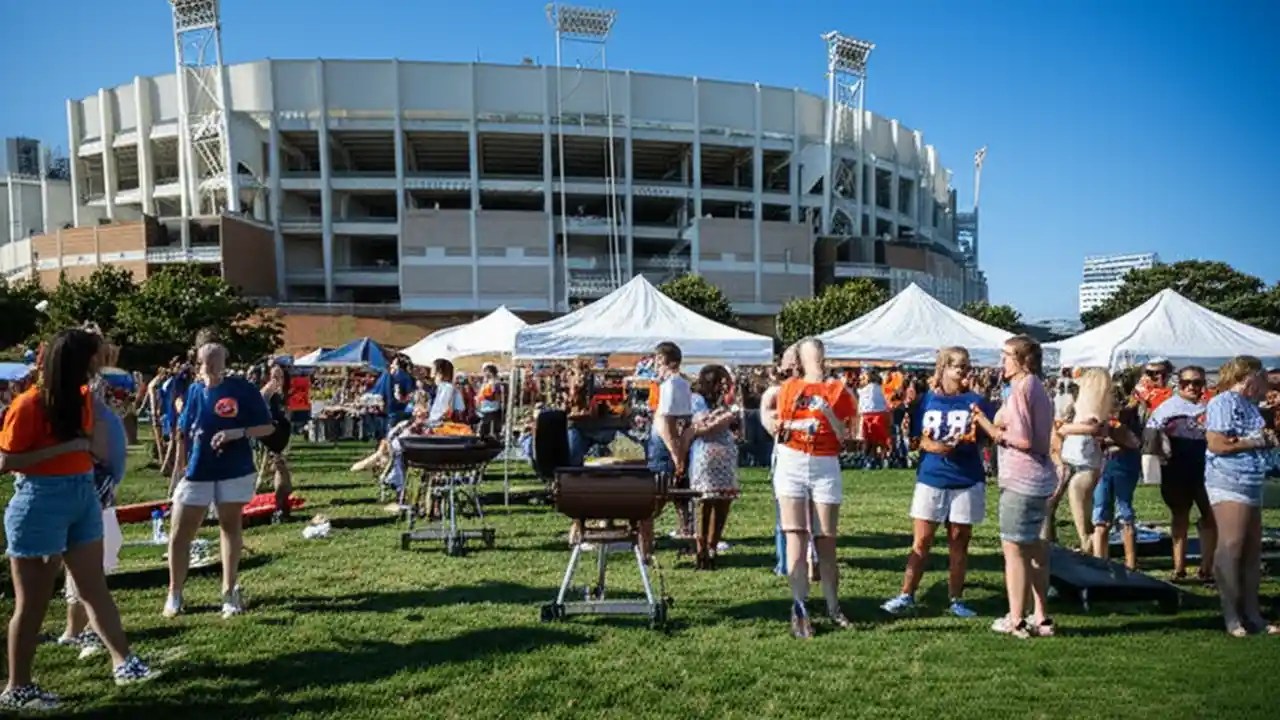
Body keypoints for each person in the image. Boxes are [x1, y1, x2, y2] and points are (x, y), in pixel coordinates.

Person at [1, 329, 157, 711]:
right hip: (40, 502)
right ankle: (18, 686)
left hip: (82, 496)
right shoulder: (28, 404)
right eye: (94, 357)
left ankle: (124, 662)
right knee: (33, 603)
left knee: (93, 587)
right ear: (76, 362)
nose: (99, 363)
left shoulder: (84, 398)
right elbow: (7, 462)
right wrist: (69, 447)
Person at [165, 343, 274, 619]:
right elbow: (184, 430)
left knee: (230, 526)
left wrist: (238, 432)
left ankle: (229, 590)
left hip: (233, 468)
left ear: (225, 362)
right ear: (198, 363)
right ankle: (175, 592)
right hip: (198, 470)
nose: (211, 368)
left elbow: (268, 427)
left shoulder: (242, 389)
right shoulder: (193, 391)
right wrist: (178, 465)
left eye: (216, 362)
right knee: (180, 532)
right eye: (205, 362)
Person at [882, 347, 988, 618]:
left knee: (958, 541)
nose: (964, 371)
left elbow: (987, 436)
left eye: (966, 366)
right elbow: (916, 439)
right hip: (932, 477)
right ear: (943, 368)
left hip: (966, 477)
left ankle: (956, 598)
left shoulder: (976, 401)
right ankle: (907, 593)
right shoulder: (925, 400)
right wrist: (933, 446)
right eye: (958, 366)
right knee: (922, 540)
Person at [763, 338, 855, 638]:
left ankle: (832, 606)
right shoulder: (787, 388)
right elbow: (768, 413)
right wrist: (773, 423)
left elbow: (848, 436)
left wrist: (827, 412)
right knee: (796, 538)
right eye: (804, 356)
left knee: (826, 541)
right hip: (792, 460)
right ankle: (799, 607)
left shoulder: (839, 390)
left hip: (825, 464)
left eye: (816, 354)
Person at [972, 335, 1057, 639]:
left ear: (1021, 359)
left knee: (1014, 549)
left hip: (1022, 479)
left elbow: (1024, 440)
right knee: (1035, 549)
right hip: (1038, 479)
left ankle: (1017, 619)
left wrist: (990, 428)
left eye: (1006, 355)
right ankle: (1042, 618)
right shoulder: (1035, 387)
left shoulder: (1023, 387)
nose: (1001, 361)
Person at [1203, 355, 1279, 636]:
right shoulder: (1222, 403)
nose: (1266, 382)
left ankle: (1252, 613)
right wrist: (1253, 441)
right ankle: (1231, 615)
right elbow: (1217, 443)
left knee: (1250, 550)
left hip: (1251, 479)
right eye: (1263, 376)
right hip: (1229, 479)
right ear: (1249, 377)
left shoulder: (1250, 406)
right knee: (1232, 545)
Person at [1147, 365, 1217, 582]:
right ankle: (1179, 568)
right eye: (1187, 383)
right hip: (1176, 470)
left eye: (1197, 383)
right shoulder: (1166, 408)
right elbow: (1150, 438)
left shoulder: (1212, 407)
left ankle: (1207, 568)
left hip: (1208, 470)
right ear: (1179, 384)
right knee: (1179, 517)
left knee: (1211, 516)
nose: (1192, 387)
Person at [1048, 367, 1112, 551]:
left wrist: (1066, 428)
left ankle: (1088, 548)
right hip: (1072, 459)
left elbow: (1096, 429)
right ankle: (1056, 546)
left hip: (1085, 463)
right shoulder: (1081, 406)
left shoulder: (1096, 410)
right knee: (1052, 504)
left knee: (1082, 516)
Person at [688, 364, 741, 570]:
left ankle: (713, 546)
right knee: (705, 502)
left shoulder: (728, 401)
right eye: (722, 381)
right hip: (705, 456)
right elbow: (702, 427)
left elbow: (737, 426)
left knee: (724, 501)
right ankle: (701, 550)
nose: (725, 386)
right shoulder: (697, 400)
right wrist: (726, 416)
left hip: (726, 455)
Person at [1090, 380, 1143, 569]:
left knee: (1124, 510)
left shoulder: (1128, 417)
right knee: (1100, 513)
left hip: (1123, 463)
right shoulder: (1095, 415)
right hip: (1104, 463)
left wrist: (1111, 434)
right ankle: (1099, 561)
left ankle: (1130, 563)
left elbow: (1134, 442)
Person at [648, 342, 695, 544]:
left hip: (664, 443)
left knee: (660, 488)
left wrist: (676, 454)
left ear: (670, 363)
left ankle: (645, 526)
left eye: (659, 361)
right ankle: (686, 527)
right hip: (676, 440)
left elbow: (665, 421)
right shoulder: (682, 383)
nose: (656, 367)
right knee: (680, 487)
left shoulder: (671, 384)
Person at [760, 345, 799, 576]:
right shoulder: (775, 393)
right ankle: (785, 562)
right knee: (785, 513)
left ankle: (806, 562)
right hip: (786, 455)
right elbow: (773, 426)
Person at [258, 362, 296, 519]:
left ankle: (281, 504)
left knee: (282, 470)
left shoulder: (283, 395)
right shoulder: (268, 393)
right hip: (272, 436)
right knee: (278, 469)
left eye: (280, 376)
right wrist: (268, 390)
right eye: (274, 376)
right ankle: (279, 507)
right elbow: (259, 404)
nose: (278, 380)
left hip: (282, 433)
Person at [857, 370, 891, 468]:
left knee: (869, 440)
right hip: (880, 414)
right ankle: (882, 459)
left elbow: (861, 403)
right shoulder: (879, 388)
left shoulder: (866, 389)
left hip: (869, 415)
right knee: (880, 440)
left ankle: (868, 460)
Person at [477, 363, 505, 438]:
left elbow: (497, 397)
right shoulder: (486, 382)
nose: (484, 373)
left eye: (485, 371)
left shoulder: (496, 383)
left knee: (486, 427)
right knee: (486, 427)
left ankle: (485, 439)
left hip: (492, 408)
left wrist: (486, 397)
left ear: (490, 371)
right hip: (485, 408)